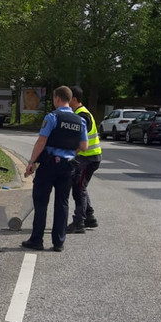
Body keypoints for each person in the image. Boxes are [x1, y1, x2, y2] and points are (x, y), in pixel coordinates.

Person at [22, 86, 88, 252]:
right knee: (62, 203)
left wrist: (32, 162)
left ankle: (37, 240)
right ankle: (59, 242)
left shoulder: (52, 117)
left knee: (41, 201)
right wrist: (71, 152)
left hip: (49, 164)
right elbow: (84, 146)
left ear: (57, 99)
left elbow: (41, 142)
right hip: (68, 166)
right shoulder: (80, 121)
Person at [66, 86, 101, 233]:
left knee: (79, 189)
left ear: (74, 99)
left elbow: (81, 141)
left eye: (68, 99)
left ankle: (79, 223)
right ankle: (89, 217)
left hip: (87, 158)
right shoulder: (81, 113)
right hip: (88, 158)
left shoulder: (82, 116)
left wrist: (69, 154)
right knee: (81, 187)